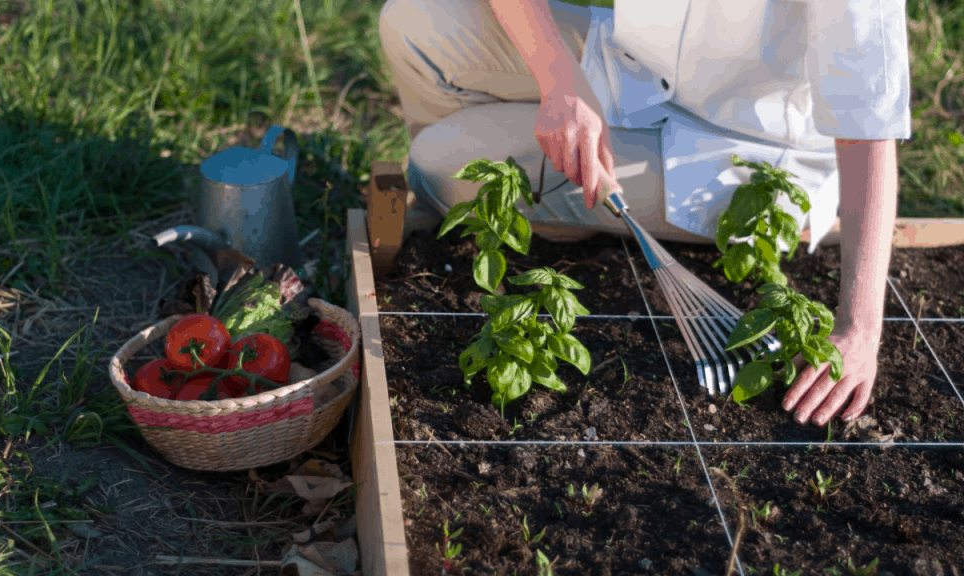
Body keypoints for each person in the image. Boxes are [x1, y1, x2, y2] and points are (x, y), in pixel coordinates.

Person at [377, 0, 910, 426]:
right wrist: (559, 82)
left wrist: (860, 329)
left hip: (742, 153)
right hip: (633, 70)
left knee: (441, 164)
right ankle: (522, 173)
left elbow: (869, 124)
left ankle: (537, 203)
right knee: (412, 23)